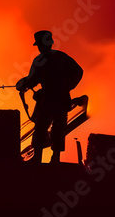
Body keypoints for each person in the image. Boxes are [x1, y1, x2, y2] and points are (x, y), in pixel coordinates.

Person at [16, 30, 82, 164]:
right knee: (49, 128)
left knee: (49, 128)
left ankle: (47, 158)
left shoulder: (50, 59)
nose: (40, 47)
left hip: (54, 99)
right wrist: (24, 84)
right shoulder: (54, 59)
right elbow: (33, 79)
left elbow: (78, 72)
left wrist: (68, 86)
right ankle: (47, 158)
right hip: (54, 99)